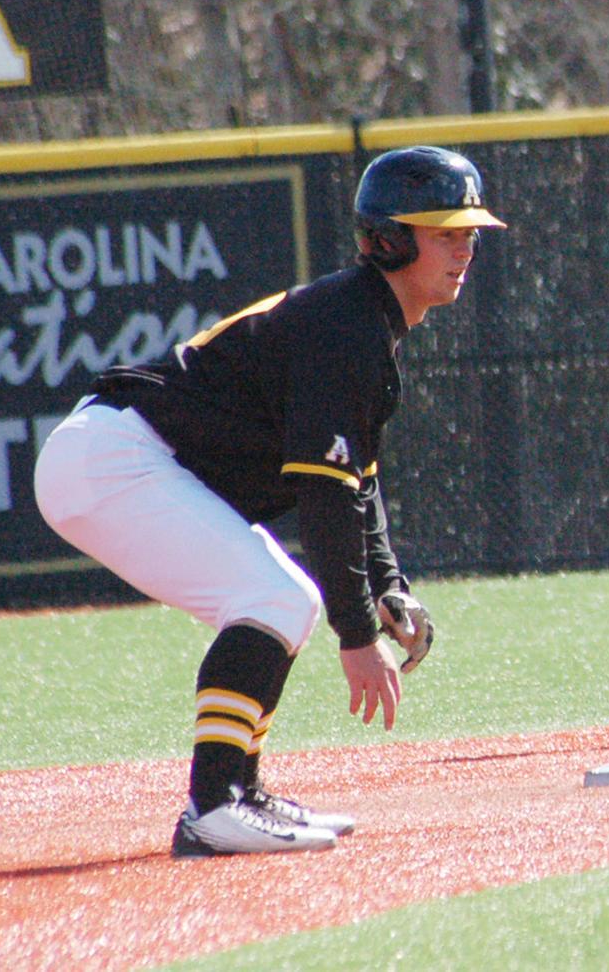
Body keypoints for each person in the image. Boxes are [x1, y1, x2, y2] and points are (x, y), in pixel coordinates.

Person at [34, 145, 506, 856]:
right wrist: (357, 639)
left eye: (470, 232)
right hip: (112, 461)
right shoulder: (348, 327)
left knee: (278, 598)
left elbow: (357, 482)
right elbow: (320, 494)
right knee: (275, 597)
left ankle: (235, 793)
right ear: (390, 238)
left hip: (118, 460)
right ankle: (215, 804)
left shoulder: (364, 323)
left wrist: (387, 587)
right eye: (445, 231)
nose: (465, 247)